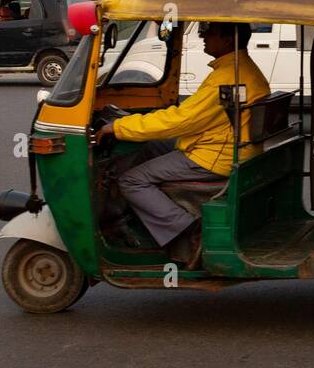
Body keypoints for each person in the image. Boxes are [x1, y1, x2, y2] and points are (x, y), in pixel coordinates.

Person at [94, 21, 269, 266]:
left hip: (214, 156)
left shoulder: (228, 77)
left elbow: (183, 120)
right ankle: (135, 215)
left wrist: (120, 127)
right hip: (223, 145)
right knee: (151, 146)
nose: (204, 36)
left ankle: (187, 232)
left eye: (210, 32)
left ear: (229, 40)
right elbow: (190, 119)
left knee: (131, 180)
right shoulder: (240, 69)